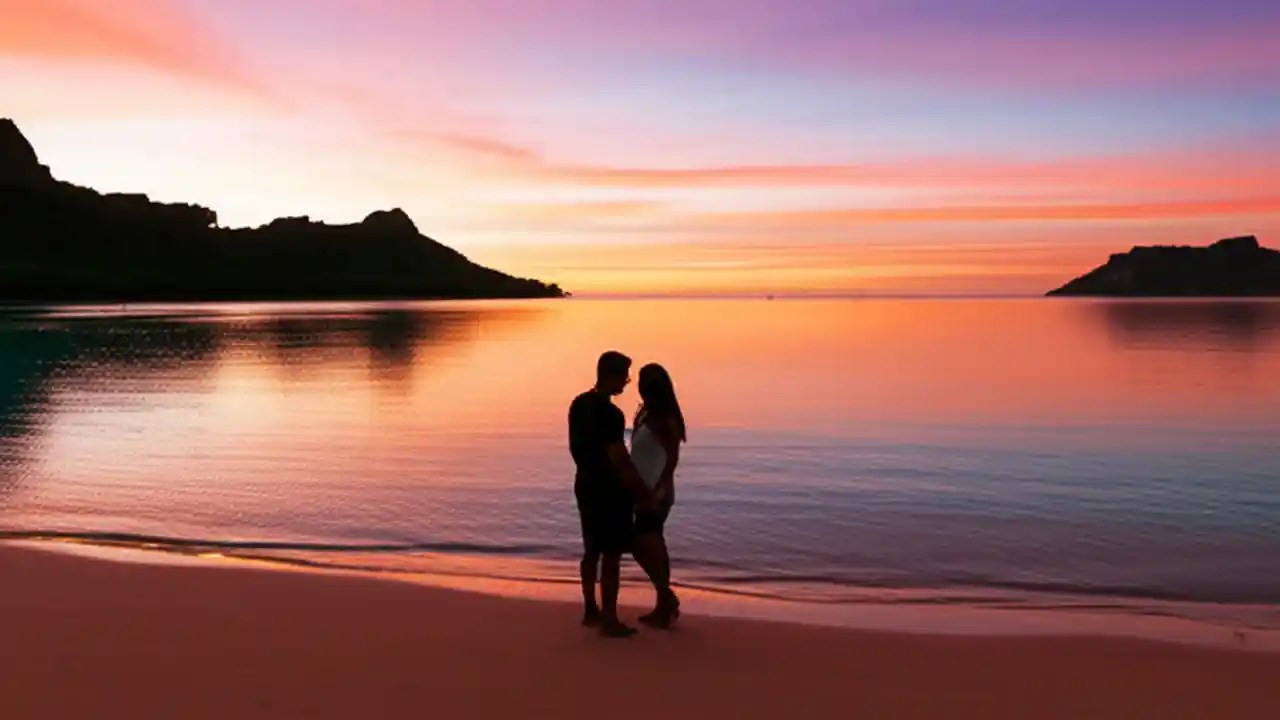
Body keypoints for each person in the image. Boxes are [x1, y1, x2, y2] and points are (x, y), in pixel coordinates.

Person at [568, 351, 655, 638]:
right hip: (608, 489)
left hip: (584, 482)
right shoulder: (611, 415)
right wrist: (642, 492)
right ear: (611, 375)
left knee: (591, 548)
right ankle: (609, 619)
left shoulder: (578, 404)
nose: (627, 382)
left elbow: (575, 448)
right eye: (625, 375)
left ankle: (590, 608)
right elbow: (618, 457)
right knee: (611, 554)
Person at [630, 363, 685, 628]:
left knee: (644, 543)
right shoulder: (645, 413)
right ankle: (665, 599)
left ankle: (665, 599)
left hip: (655, 492)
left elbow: (672, 459)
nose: (641, 387)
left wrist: (659, 487)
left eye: (646, 383)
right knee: (647, 544)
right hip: (641, 490)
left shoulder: (665, 420)